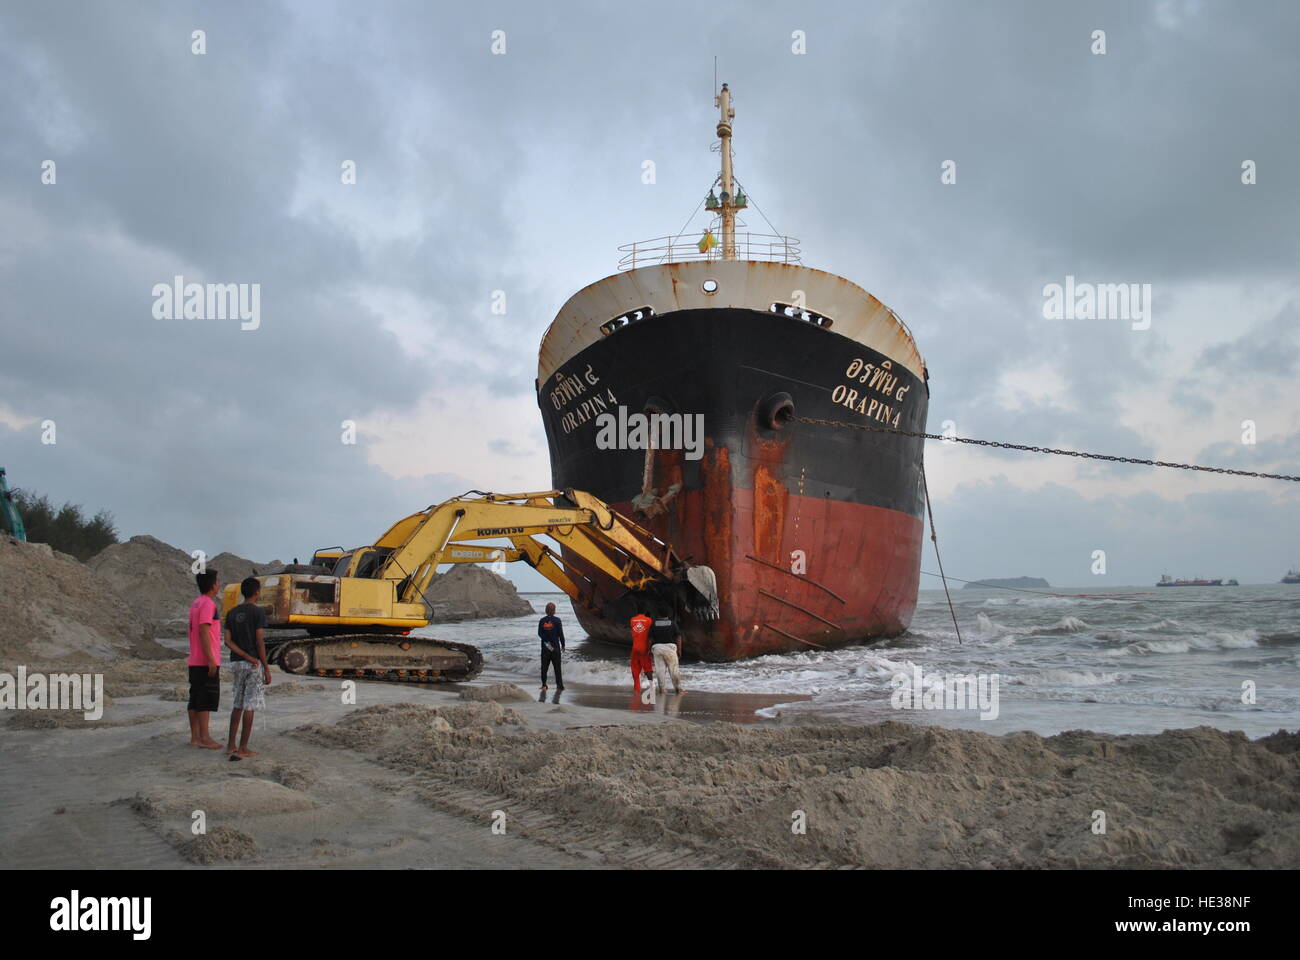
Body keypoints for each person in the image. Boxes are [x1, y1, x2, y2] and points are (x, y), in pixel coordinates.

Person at [224, 576, 271, 760]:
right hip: (253, 665)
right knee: (250, 705)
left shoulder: (232, 613)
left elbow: (227, 641)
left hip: (236, 663)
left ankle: (230, 745)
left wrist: (242, 656)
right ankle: (243, 747)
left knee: (237, 703)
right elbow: (260, 642)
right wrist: (264, 666)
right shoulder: (257, 613)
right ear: (257, 592)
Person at [187, 569, 224, 749]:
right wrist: (211, 659)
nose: (219, 585)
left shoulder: (196, 603)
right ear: (212, 585)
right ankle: (205, 737)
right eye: (217, 581)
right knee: (205, 700)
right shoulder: (208, 604)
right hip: (204, 660)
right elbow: (203, 630)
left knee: (194, 699)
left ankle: (195, 737)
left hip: (194, 660)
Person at [650, 609, 684, 695]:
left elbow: (650, 639)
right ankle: (678, 689)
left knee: (660, 670)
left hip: (657, 648)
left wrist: (649, 650)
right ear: (668, 615)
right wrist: (679, 650)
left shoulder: (654, 624)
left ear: (658, 615)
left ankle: (662, 689)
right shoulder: (672, 624)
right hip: (670, 648)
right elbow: (678, 636)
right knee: (673, 670)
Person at [538, 601, 565, 691]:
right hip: (555, 648)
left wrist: (547, 643)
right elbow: (560, 634)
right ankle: (559, 685)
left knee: (544, 667)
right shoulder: (557, 620)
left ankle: (544, 685)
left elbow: (540, 633)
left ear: (546, 610)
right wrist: (563, 644)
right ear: (554, 611)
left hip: (546, 647)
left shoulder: (542, 621)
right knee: (557, 667)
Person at [629, 611, 654, 692]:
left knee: (635, 669)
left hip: (635, 648)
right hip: (644, 648)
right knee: (648, 669)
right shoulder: (649, 620)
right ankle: (651, 687)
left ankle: (637, 688)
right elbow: (651, 634)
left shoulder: (632, 619)